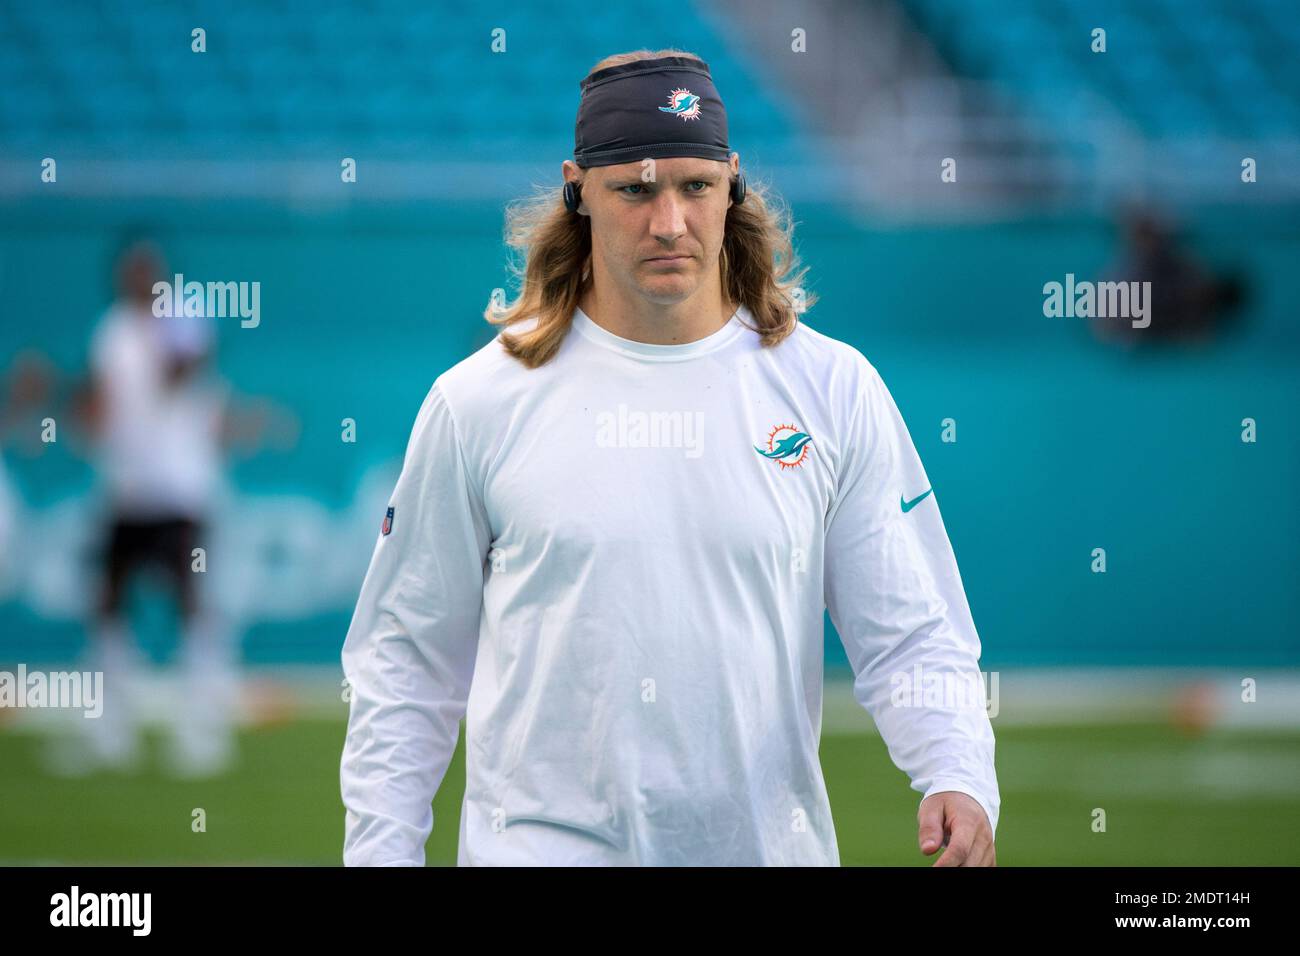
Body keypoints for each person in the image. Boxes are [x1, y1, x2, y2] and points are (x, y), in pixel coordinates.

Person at [340, 49, 999, 866]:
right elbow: (407, 666)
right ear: (577, 189)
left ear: (733, 184)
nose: (669, 222)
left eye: (694, 186)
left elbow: (911, 631)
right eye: (636, 189)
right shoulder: (479, 402)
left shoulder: (832, 390)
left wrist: (957, 770)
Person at [66, 236, 238, 778]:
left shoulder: (182, 316)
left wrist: (158, 333)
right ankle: (109, 730)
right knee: (108, 604)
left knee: (190, 604)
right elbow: (98, 401)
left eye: (148, 269)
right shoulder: (110, 331)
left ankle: (201, 730)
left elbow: (182, 368)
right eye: (132, 269)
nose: (140, 278)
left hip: (180, 490)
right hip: (126, 490)